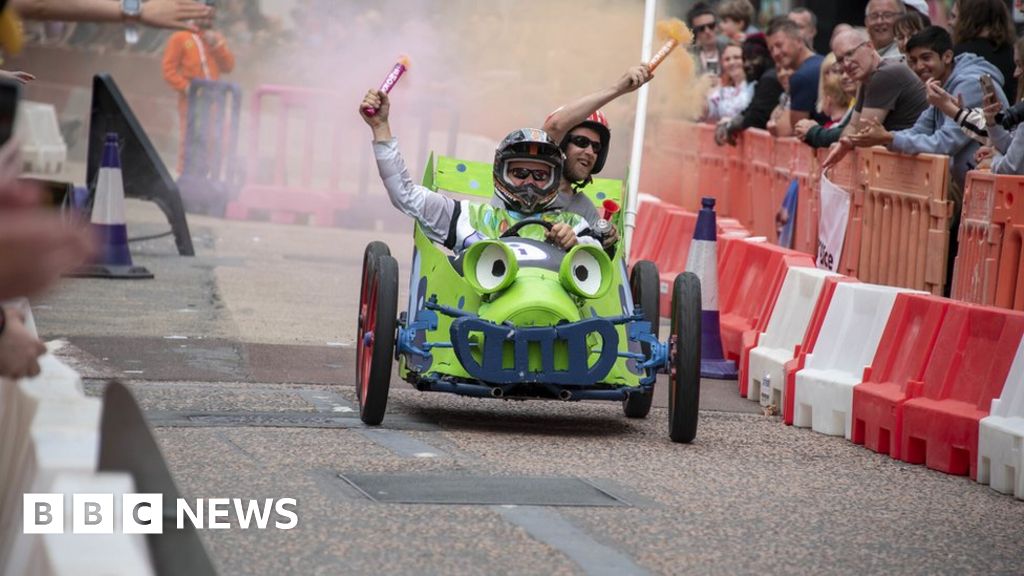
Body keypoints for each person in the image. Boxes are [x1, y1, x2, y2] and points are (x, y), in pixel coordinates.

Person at [360, 89, 599, 254]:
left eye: (540, 176)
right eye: (520, 173)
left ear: (553, 180)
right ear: (501, 174)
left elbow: (601, 253)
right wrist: (381, 128)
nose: (529, 183)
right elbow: (404, 195)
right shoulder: (469, 218)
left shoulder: (573, 225)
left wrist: (575, 244)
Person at [847, 26, 1008, 188]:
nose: (919, 66)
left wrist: (889, 138)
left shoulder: (970, 84)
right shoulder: (940, 84)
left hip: (991, 185)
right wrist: (885, 137)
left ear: (947, 56)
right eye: (913, 61)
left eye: (926, 58)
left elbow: (945, 143)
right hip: (968, 184)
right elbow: (920, 129)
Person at [521, 64, 652, 247]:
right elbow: (555, 126)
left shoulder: (586, 209)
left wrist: (605, 243)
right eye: (581, 142)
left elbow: (594, 259)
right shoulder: (524, 185)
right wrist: (618, 88)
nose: (590, 152)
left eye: (596, 147)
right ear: (560, 145)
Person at [821, 28, 928, 169]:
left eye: (850, 54)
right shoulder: (866, 78)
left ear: (869, 46)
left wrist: (846, 142)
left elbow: (863, 134)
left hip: (914, 164)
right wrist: (845, 142)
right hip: (905, 163)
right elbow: (852, 127)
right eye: (840, 60)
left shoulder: (885, 74)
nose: (846, 64)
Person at [162, 18, 235, 173]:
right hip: (191, 98)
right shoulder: (180, 37)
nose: (206, 16)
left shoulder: (216, 38)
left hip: (214, 97)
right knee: (190, 136)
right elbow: (169, 70)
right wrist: (187, 88)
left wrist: (216, 45)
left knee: (216, 136)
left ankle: (210, 174)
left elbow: (228, 66)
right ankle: (186, 174)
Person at [714, 33, 784, 145]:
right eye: (745, 59)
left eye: (753, 58)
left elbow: (756, 117)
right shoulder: (762, 80)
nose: (747, 65)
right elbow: (752, 110)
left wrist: (731, 125)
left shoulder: (769, 79)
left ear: (765, 57)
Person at [951, 0, 1016, 103]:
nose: (950, 22)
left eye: (954, 17)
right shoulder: (1016, 53)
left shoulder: (958, 56)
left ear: (968, 19)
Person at [767, 17, 824, 129]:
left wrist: (772, 127)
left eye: (779, 45)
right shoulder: (823, 62)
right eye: (771, 49)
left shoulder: (801, 77)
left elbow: (796, 131)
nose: (775, 53)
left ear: (799, 41)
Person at [795, 57, 859, 148]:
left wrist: (813, 131)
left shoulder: (861, 100)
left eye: (836, 71)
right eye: (841, 71)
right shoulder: (856, 102)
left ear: (828, 100)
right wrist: (810, 132)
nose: (844, 76)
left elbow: (850, 133)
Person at [704, 42, 753, 122]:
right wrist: (703, 89)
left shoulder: (754, 85)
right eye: (727, 59)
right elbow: (706, 111)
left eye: (736, 57)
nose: (731, 62)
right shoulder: (723, 91)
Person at [687, 2, 728, 77]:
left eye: (711, 26)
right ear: (695, 32)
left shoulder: (728, 48)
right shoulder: (688, 57)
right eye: (701, 28)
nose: (707, 31)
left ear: (717, 26)